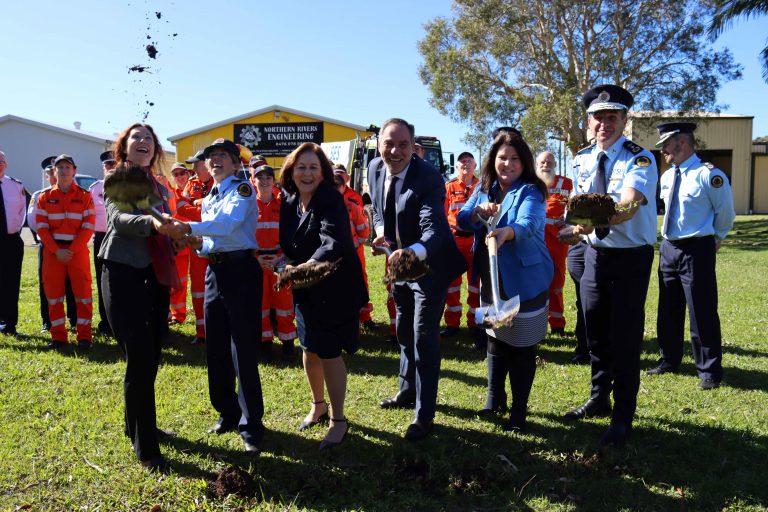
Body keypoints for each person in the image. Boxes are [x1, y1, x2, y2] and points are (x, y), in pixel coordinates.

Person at [559, 85, 658, 447]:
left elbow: (629, 205)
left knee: (626, 338)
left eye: (612, 117)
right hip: (594, 257)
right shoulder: (581, 158)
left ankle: (622, 416)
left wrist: (589, 224)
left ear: (624, 120)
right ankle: (599, 398)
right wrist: (575, 229)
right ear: (589, 122)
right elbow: (579, 204)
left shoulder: (640, 159)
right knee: (595, 333)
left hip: (630, 259)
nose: (605, 124)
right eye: (598, 117)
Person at [165, 138, 265, 455]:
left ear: (236, 164)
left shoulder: (242, 190)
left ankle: (251, 424)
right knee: (216, 346)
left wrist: (188, 226)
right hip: (215, 272)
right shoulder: (210, 196)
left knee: (243, 350)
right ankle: (227, 412)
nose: (215, 161)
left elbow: (228, 224)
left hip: (240, 273)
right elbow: (213, 239)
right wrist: (197, 243)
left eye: (222, 156)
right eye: (211, 157)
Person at [368, 118, 466, 441]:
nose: (395, 152)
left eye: (403, 145)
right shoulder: (374, 168)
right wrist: (382, 235)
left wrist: (410, 254)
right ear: (379, 143)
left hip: (429, 265)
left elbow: (434, 229)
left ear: (413, 146)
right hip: (398, 267)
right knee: (402, 330)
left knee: (424, 338)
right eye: (388, 144)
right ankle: (406, 390)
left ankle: (424, 416)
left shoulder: (429, 177)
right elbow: (380, 212)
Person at [457, 132, 553, 431]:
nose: (507, 164)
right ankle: (493, 397)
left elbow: (529, 223)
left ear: (524, 161)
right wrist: (476, 211)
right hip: (490, 276)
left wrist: (505, 232)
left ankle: (518, 412)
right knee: (495, 340)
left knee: (522, 347)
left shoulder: (531, 191)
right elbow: (460, 218)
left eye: (514, 158)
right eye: (502, 158)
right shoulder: (484, 188)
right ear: (492, 160)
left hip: (526, 279)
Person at [99, 122, 178, 472]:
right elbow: (119, 220)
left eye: (149, 138)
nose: (144, 142)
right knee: (141, 358)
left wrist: (177, 233)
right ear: (124, 147)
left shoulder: (155, 185)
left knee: (151, 355)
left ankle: (136, 425)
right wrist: (158, 225)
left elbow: (162, 222)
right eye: (137, 138)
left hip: (154, 276)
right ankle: (147, 449)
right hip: (122, 274)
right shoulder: (118, 178)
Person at [279, 142, 367, 449]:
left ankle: (338, 420)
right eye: (301, 167)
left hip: (335, 288)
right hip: (305, 287)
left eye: (313, 167)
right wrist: (283, 264)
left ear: (323, 172)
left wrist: (306, 266)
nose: (307, 173)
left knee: (329, 351)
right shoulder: (289, 199)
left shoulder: (330, 199)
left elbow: (333, 242)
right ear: (291, 171)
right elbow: (287, 244)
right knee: (309, 348)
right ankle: (318, 405)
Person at [648, 122, 736, 390]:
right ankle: (669, 359)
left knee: (702, 310)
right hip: (669, 248)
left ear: (682, 144)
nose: (663, 151)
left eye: (666, 146)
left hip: (697, 248)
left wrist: (715, 238)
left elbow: (726, 212)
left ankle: (709, 371)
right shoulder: (667, 176)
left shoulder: (709, 175)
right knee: (668, 309)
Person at [35, 154, 95, 350]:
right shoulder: (44, 197)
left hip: (76, 253)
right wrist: (55, 250)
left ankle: (84, 337)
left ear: (74, 170)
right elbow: (41, 228)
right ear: (54, 171)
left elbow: (88, 228)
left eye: (67, 167)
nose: (64, 170)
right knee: (53, 296)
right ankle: (58, 337)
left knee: (83, 295)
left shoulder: (85, 196)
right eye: (59, 167)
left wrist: (70, 250)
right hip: (53, 254)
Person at [253, 163, 297, 363]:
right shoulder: (248, 207)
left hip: (280, 260)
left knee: (284, 303)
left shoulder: (285, 206)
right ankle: (265, 344)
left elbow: (291, 236)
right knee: (260, 305)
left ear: (274, 181)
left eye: (268, 178)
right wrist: (256, 258)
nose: (264, 181)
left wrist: (282, 258)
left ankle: (288, 344)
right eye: (259, 178)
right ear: (253, 181)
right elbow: (244, 237)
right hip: (257, 261)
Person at [28, 157, 77, 333]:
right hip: (48, 246)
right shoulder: (39, 195)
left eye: (63, 169)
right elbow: (32, 222)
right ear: (49, 175)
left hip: (71, 247)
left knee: (72, 283)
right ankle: (47, 321)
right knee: (46, 285)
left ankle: (74, 319)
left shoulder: (77, 193)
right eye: (51, 173)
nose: (56, 176)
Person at [441, 151, 483, 349]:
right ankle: (452, 323)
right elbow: (442, 214)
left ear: (475, 165)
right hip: (454, 241)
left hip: (475, 241)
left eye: (469, 161)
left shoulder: (482, 187)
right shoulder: (449, 187)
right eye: (462, 162)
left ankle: (475, 323)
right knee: (452, 284)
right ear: (456, 167)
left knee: (476, 284)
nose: (465, 164)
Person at [177, 149, 213, 344]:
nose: (193, 169)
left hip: (217, 244)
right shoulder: (191, 183)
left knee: (218, 288)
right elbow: (180, 206)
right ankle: (202, 333)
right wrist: (202, 206)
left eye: (196, 165)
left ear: (207, 164)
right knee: (198, 290)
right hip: (196, 243)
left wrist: (197, 204)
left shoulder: (221, 182)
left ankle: (218, 330)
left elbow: (215, 215)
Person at [535, 151, 572, 337]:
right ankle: (536, 325)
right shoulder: (531, 183)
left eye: (549, 161)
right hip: (535, 243)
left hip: (558, 242)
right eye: (542, 162)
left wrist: (568, 219)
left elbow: (575, 206)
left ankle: (557, 325)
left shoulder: (566, 183)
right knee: (535, 286)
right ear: (536, 164)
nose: (545, 165)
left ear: (555, 163)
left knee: (556, 285)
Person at [334, 163, 374, 330]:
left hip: (355, 251)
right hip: (335, 253)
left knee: (360, 282)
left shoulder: (354, 198)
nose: (339, 179)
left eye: (342, 175)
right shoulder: (325, 197)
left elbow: (363, 228)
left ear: (347, 178)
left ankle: (365, 317)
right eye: (336, 175)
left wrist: (355, 244)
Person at [90, 150, 117, 336]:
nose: (110, 167)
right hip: (101, 238)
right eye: (107, 165)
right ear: (103, 168)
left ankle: (121, 321)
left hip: (121, 238)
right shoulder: (95, 188)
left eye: (113, 164)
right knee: (102, 280)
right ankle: (106, 323)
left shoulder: (127, 186)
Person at [0, 150, 27, 338]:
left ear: (6, 164)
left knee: (11, 282)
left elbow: (22, 211)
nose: (0, 163)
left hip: (11, 241)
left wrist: (15, 229)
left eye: (2, 160)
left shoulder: (15, 185)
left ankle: (10, 323)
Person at [168, 162, 192, 325]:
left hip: (189, 243)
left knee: (182, 283)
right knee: (169, 281)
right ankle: (171, 313)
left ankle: (179, 314)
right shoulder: (170, 193)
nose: (179, 177)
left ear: (188, 174)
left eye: (182, 173)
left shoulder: (193, 191)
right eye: (175, 174)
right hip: (172, 244)